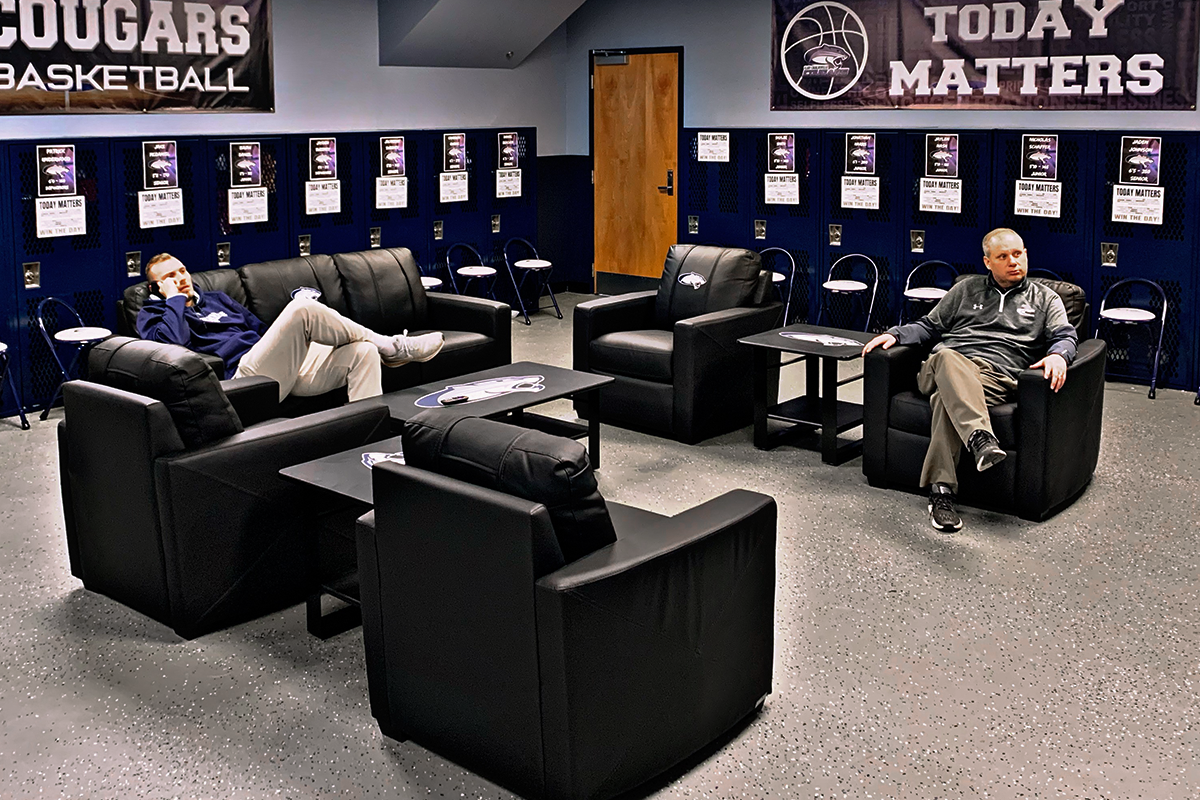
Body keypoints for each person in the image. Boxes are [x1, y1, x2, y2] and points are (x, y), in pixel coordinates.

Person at [862, 228, 1078, 533]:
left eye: (1018, 254)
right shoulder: (966, 290)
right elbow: (929, 325)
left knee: (944, 401)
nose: (1013, 262)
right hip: (941, 367)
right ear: (988, 262)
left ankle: (942, 495)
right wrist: (895, 334)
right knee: (948, 358)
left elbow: (1065, 335)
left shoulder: (1045, 299)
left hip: (996, 378)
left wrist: (1059, 355)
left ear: (1026, 254)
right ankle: (979, 437)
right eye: (1003, 256)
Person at [136, 253, 444, 403]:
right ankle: (391, 347)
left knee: (361, 352)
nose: (182, 278)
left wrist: (298, 349)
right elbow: (172, 347)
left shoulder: (216, 298)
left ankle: (370, 432)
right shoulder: (152, 313)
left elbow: (260, 329)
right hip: (245, 377)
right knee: (302, 307)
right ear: (157, 287)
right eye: (171, 277)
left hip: (279, 368)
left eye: (182, 271)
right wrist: (174, 301)